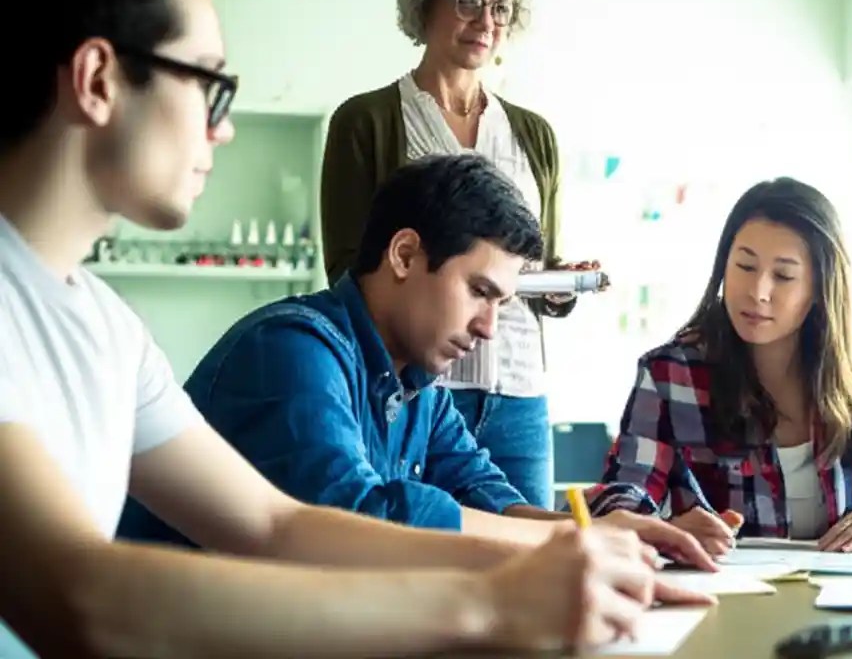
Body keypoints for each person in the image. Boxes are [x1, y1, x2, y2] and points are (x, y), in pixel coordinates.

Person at [0, 0, 705, 656]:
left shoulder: (105, 328)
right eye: (208, 83)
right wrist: (491, 599)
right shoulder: (289, 350)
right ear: (96, 79)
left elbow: (278, 526)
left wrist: (579, 544)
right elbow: (79, 598)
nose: (224, 125)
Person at [118, 153, 715, 571]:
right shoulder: (291, 351)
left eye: (502, 303)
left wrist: (603, 533)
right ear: (405, 254)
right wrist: (575, 541)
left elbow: (482, 493)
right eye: (479, 292)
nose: (488, 327)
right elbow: (357, 522)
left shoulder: (419, 384)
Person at [320, 0, 587, 509]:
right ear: (426, 4)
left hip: (517, 393)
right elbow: (350, 268)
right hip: (414, 392)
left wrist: (563, 287)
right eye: (468, 0)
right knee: (417, 552)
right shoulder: (366, 120)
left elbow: (534, 269)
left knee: (531, 557)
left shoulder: (533, 135)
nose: (485, 21)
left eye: (500, 8)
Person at [586, 178, 852, 554]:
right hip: (723, 596)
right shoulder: (670, 374)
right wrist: (670, 529)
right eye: (744, 266)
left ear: (819, 287)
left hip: (836, 597)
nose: (758, 292)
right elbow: (624, 497)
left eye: (783, 275)